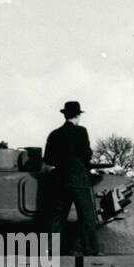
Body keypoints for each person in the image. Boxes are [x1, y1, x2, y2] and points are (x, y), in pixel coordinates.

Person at [42, 99, 99, 255]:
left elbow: (48, 159)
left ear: (65, 115)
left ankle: (50, 250)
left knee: (57, 216)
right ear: (78, 116)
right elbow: (87, 154)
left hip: (60, 180)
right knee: (86, 215)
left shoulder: (54, 134)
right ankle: (90, 250)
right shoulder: (81, 131)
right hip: (79, 179)